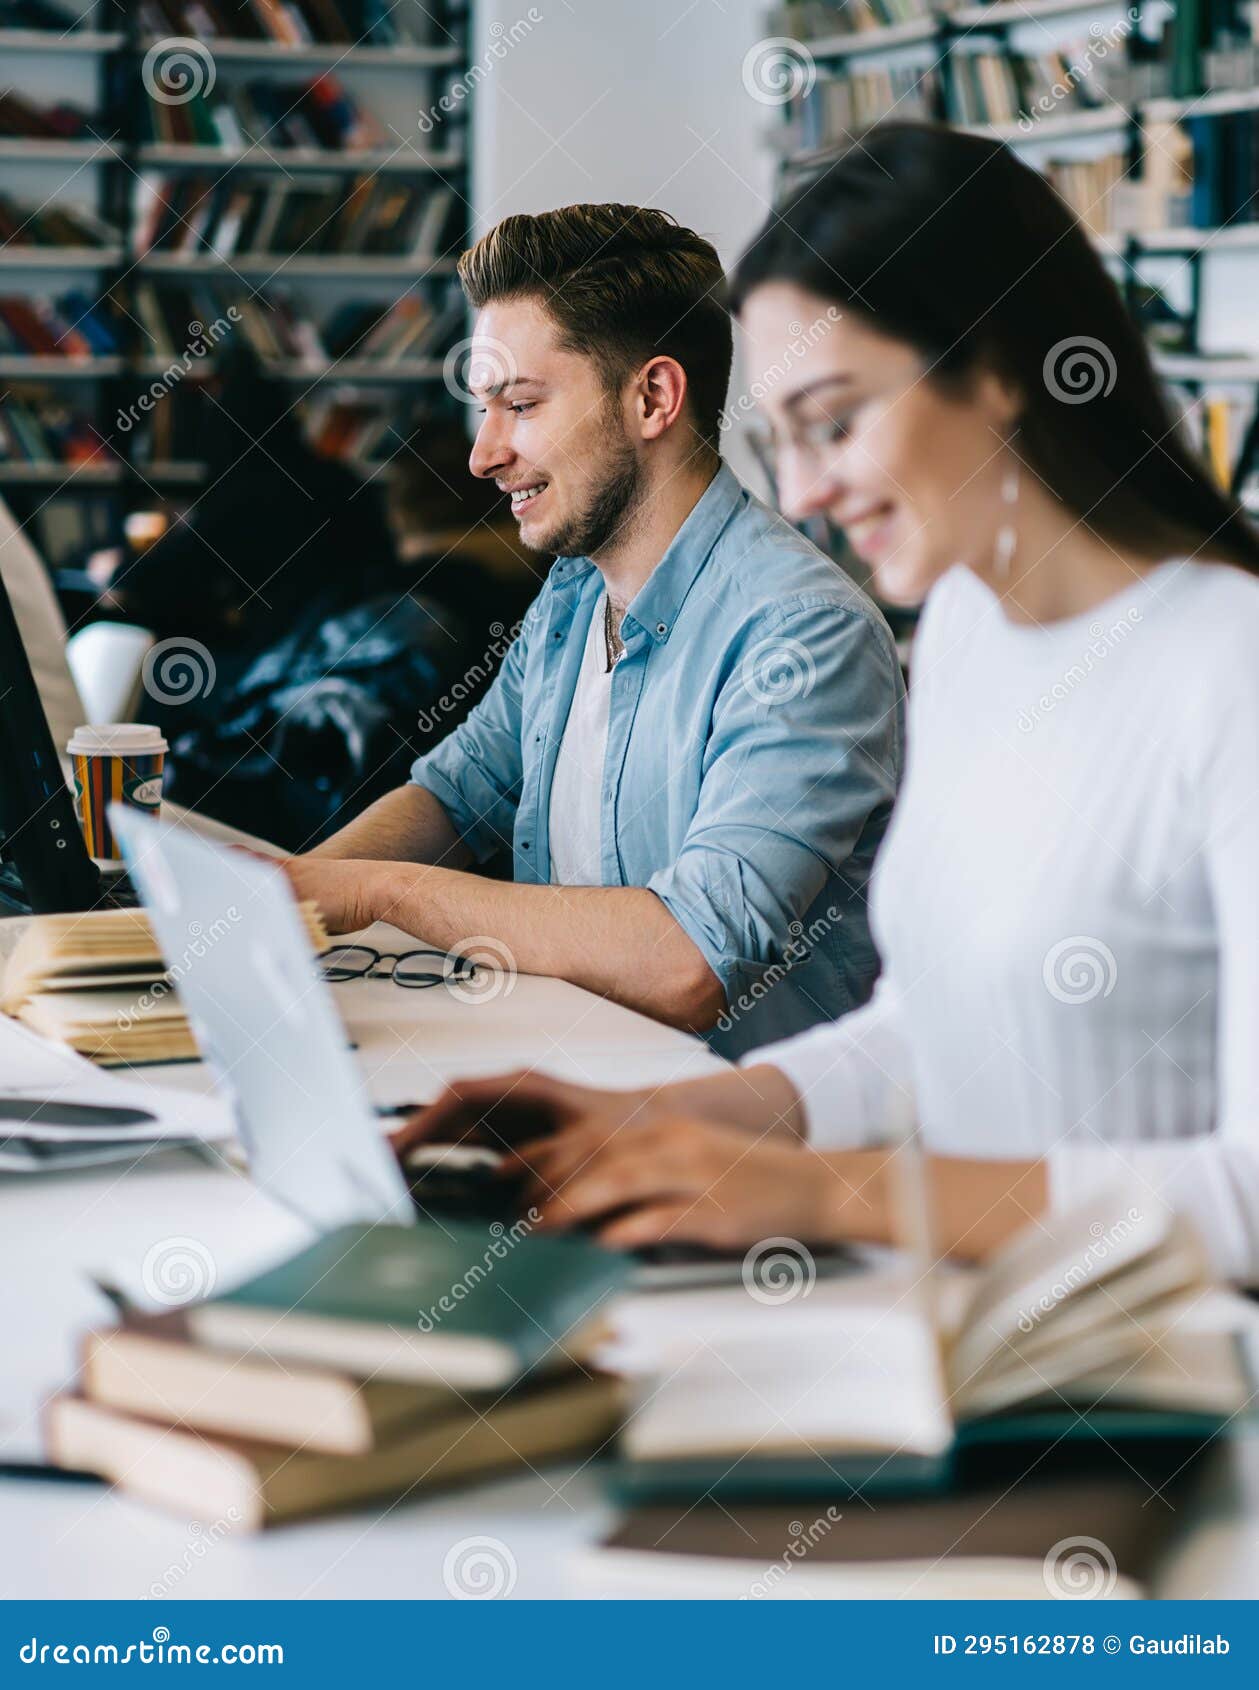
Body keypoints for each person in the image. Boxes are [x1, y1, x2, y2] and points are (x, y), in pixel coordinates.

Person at [395, 123, 1259, 1285]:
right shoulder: (964, 630)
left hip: (1159, 1398)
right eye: (779, 437)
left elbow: (1245, 1196)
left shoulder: (1226, 669)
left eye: (836, 421)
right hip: (957, 1328)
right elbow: (924, 1037)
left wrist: (820, 1190)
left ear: (997, 369)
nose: (799, 491)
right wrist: (657, 1118)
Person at [285, 203, 904, 1055]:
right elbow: (457, 798)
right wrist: (293, 892)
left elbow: (691, 958)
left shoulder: (804, 635)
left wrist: (379, 894)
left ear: (652, 398)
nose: (483, 455)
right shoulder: (574, 594)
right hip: (570, 1083)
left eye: (522, 405)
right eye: (484, 409)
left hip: (733, 1146)